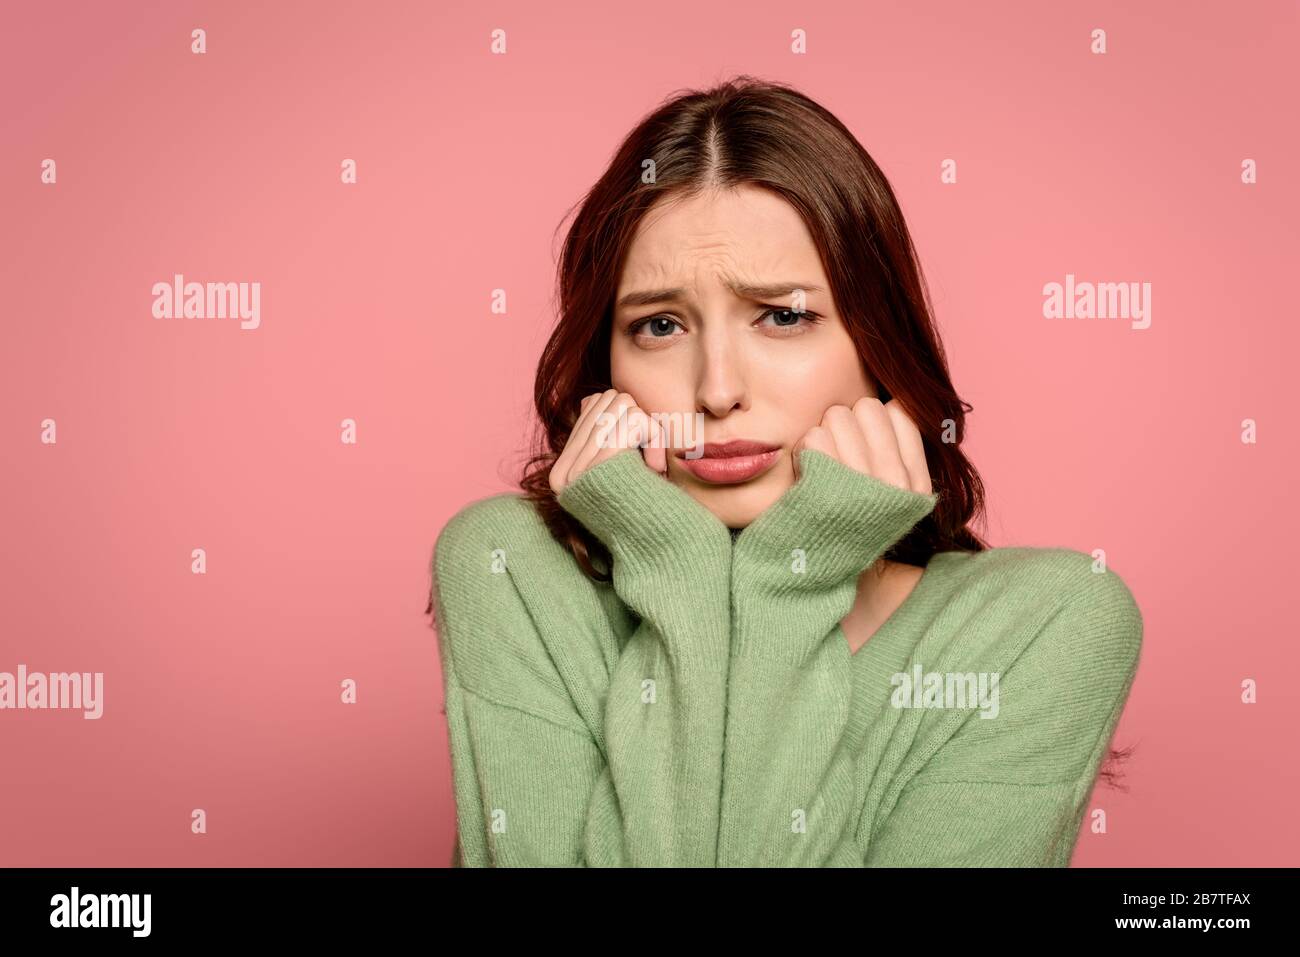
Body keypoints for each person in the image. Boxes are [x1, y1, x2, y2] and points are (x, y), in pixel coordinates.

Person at [428, 75, 1142, 867]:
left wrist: (787, 581)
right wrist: (678, 562)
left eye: (783, 315)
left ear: (879, 346)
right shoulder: (511, 571)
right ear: (607, 365)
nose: (719, 390)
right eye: (660, 325)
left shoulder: (1044, 623)